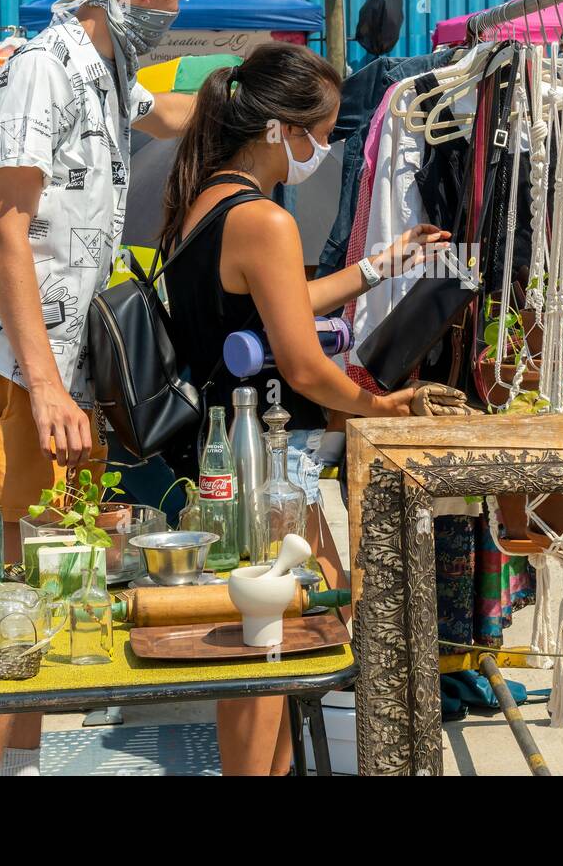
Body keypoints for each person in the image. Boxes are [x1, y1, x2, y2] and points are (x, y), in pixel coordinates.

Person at [0, 0, 206, 774]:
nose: (177, 18)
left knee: (45, 590)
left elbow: (165, 116)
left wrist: (254, 89)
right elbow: (4, 232)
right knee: (1, 598)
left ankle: (19, 766)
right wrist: (50, 388)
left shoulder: (104, 67)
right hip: (11, 368)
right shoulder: (42, 70)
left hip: (61, 367)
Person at [161, 42, 447, 776]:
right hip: (262, 462)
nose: (324, 147)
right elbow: (301, 361)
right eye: (319, 131)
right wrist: (381, 407)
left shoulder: (209, 200)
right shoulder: (264, 219)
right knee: (286, 631)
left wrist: (380, 265)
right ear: (277, 129)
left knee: (263, 636)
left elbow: (278, 303)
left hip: (219, 456)